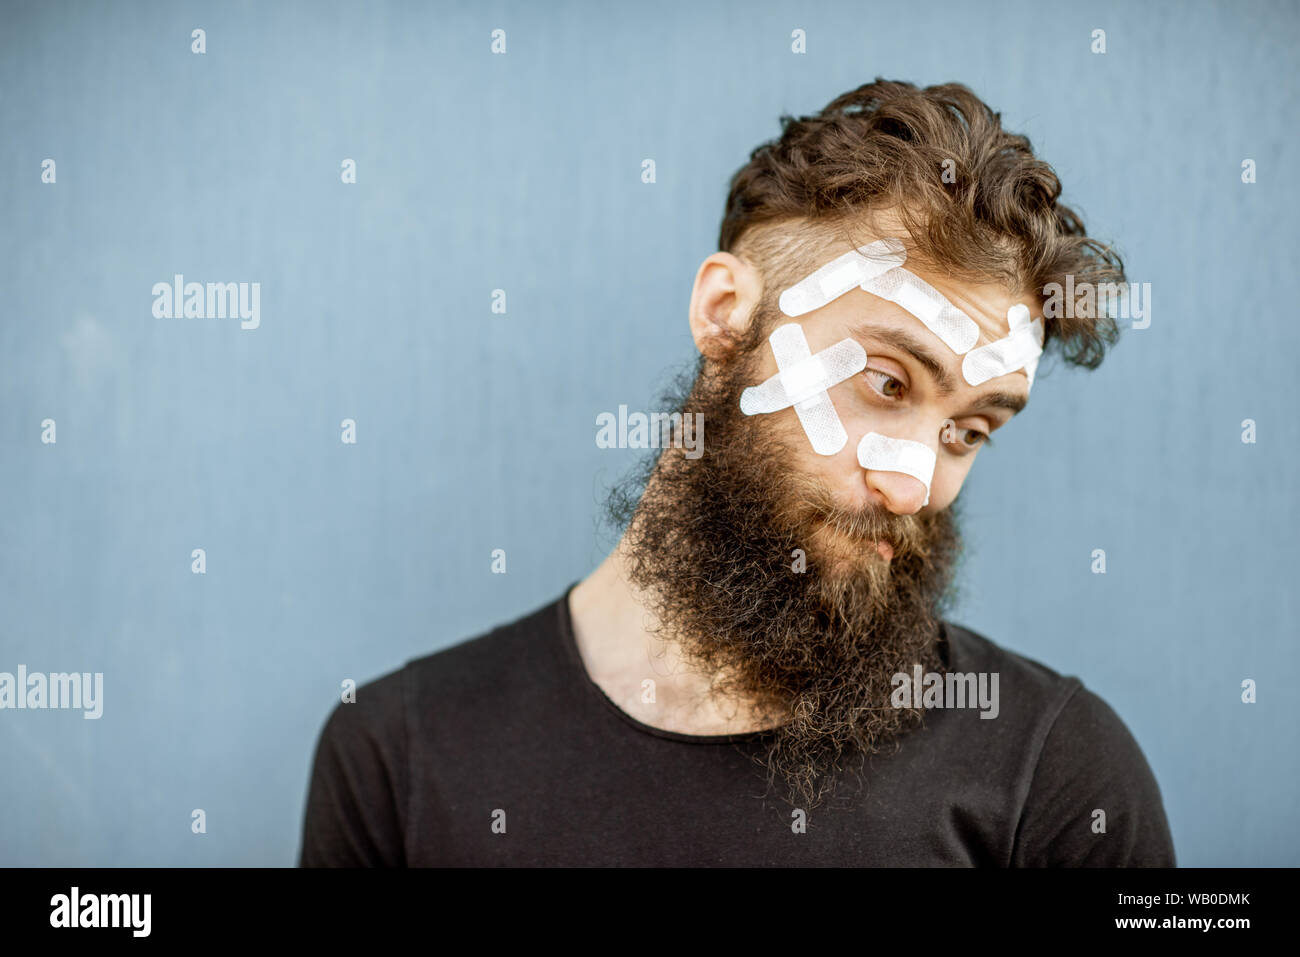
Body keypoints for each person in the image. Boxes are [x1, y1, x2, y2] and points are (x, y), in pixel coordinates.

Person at [299, 78, 1175, 867]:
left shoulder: (1057, 779)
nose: (913, 488)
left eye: (968, 429)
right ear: (725, 317)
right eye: (886, 383)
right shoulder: (397, 759)